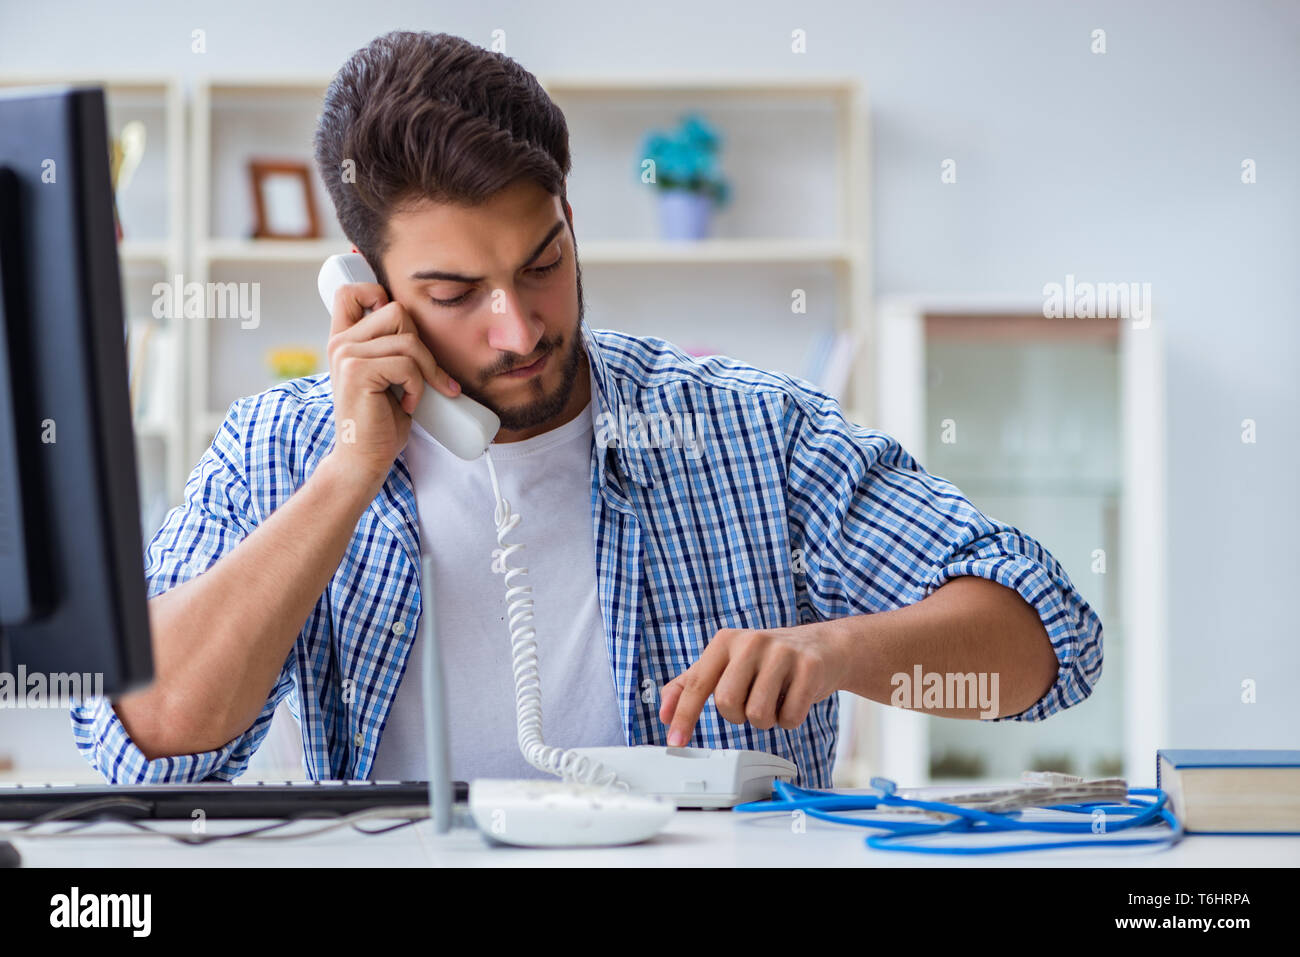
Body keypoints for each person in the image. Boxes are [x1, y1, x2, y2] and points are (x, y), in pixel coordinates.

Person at [72, 31, 1102, 788]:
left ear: (569, 215)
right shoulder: (277, 449)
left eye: (543, 264)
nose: (518, 329)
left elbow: (1050, 647)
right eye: (453, 294)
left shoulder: (753, 430)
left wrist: (840, 651)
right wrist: (348, 473)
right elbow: (143, 745)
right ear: (367, 287)